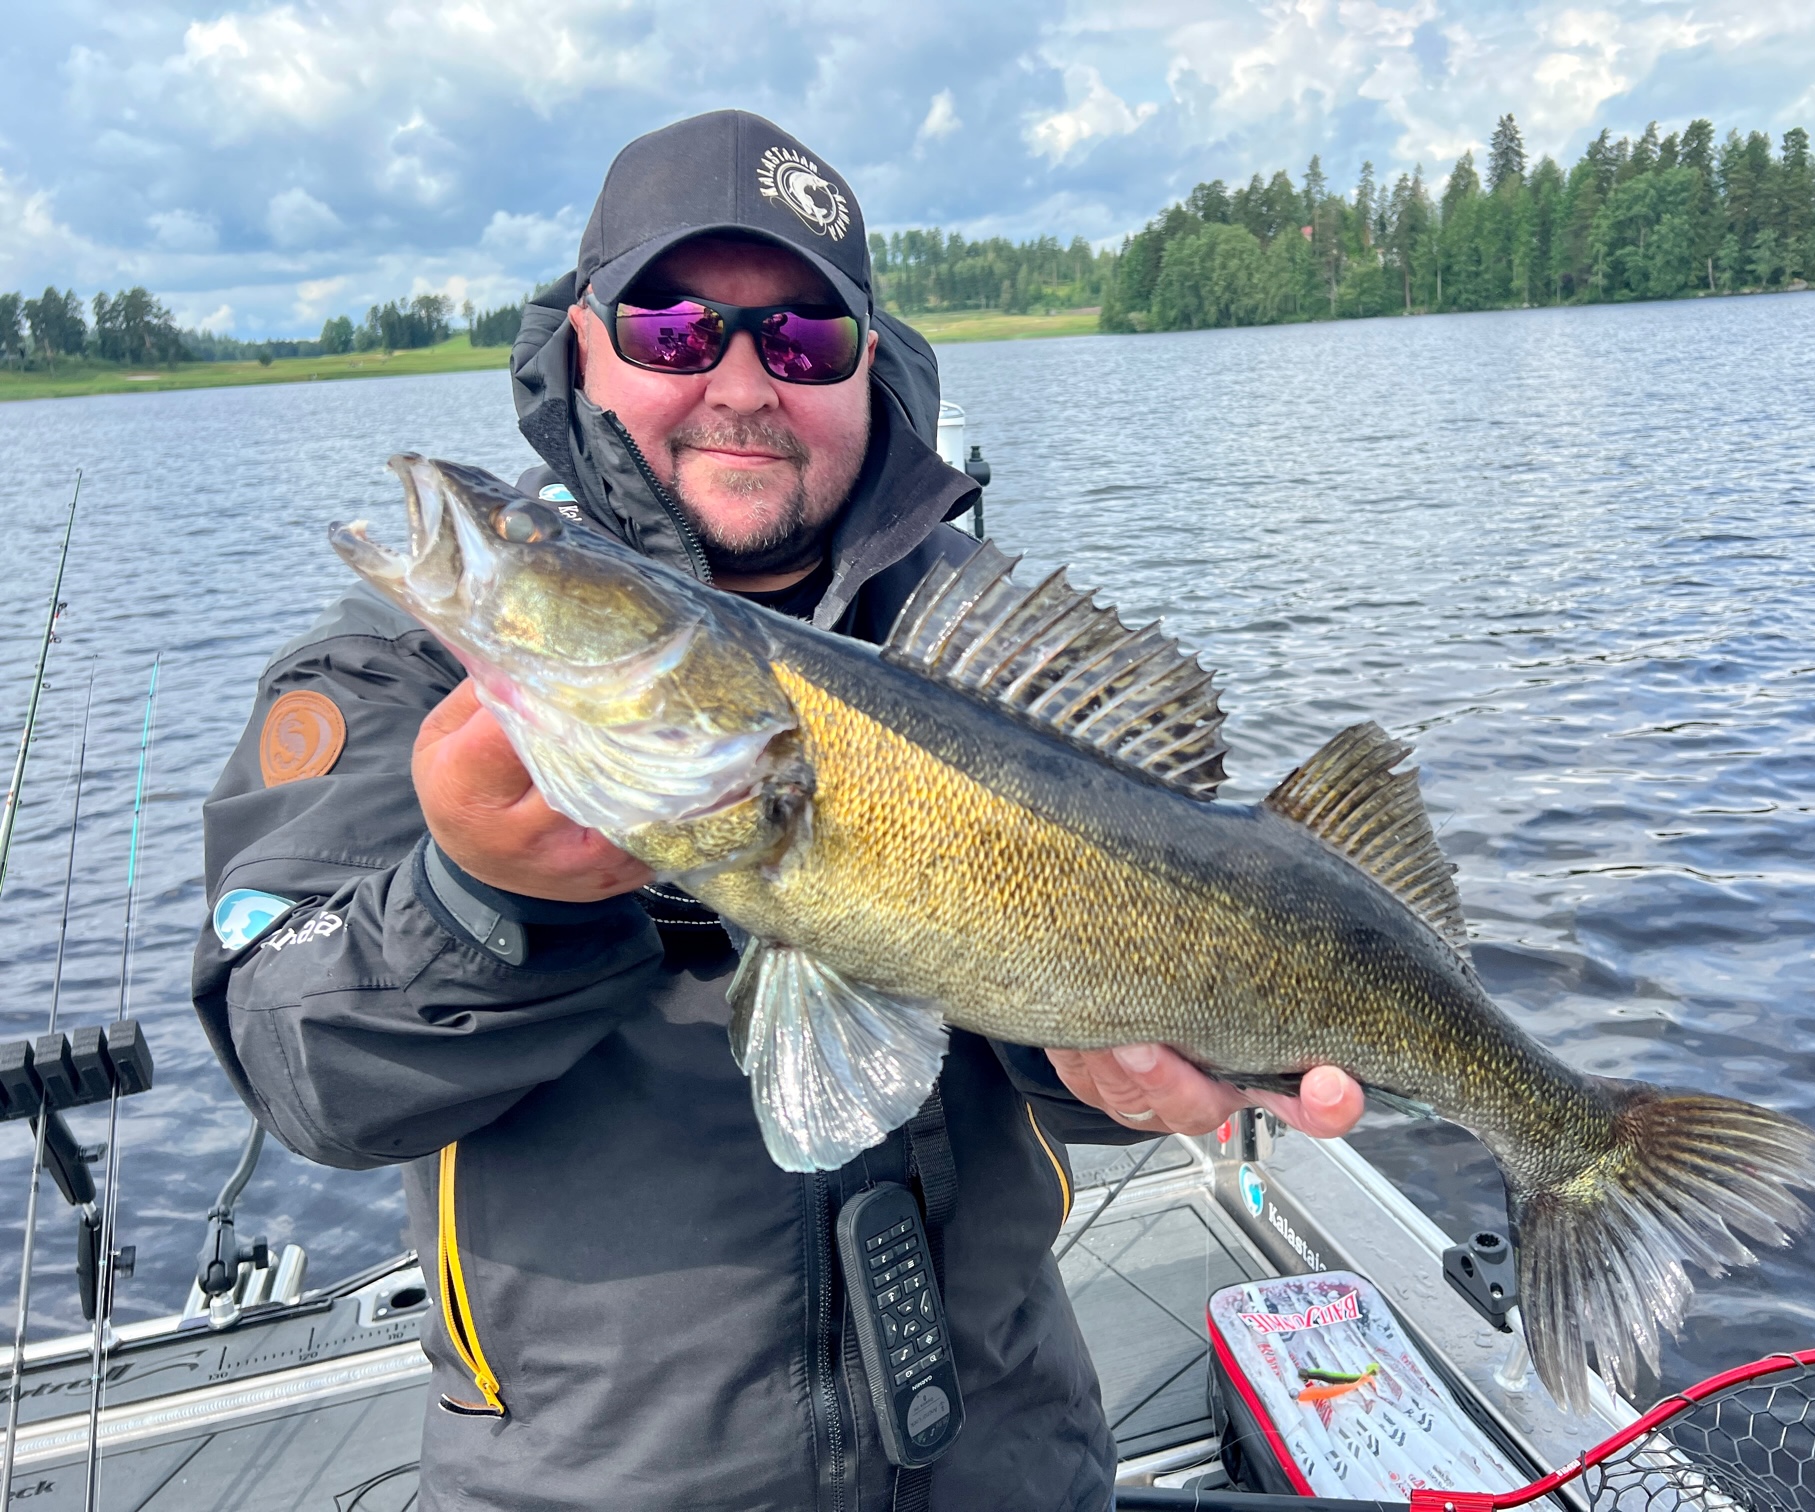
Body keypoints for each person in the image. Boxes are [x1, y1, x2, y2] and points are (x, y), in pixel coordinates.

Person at [193, 110, 1362, 1512]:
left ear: (872, 371)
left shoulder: (970, 643)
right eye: (676, 329)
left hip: (1011, 1470)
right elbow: (295, 1060)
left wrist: (1105, 1072)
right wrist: (478, 901)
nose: (745, 381)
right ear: (580, 345)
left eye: (805, 339)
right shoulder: (413, 678)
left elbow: (1085, 1008)